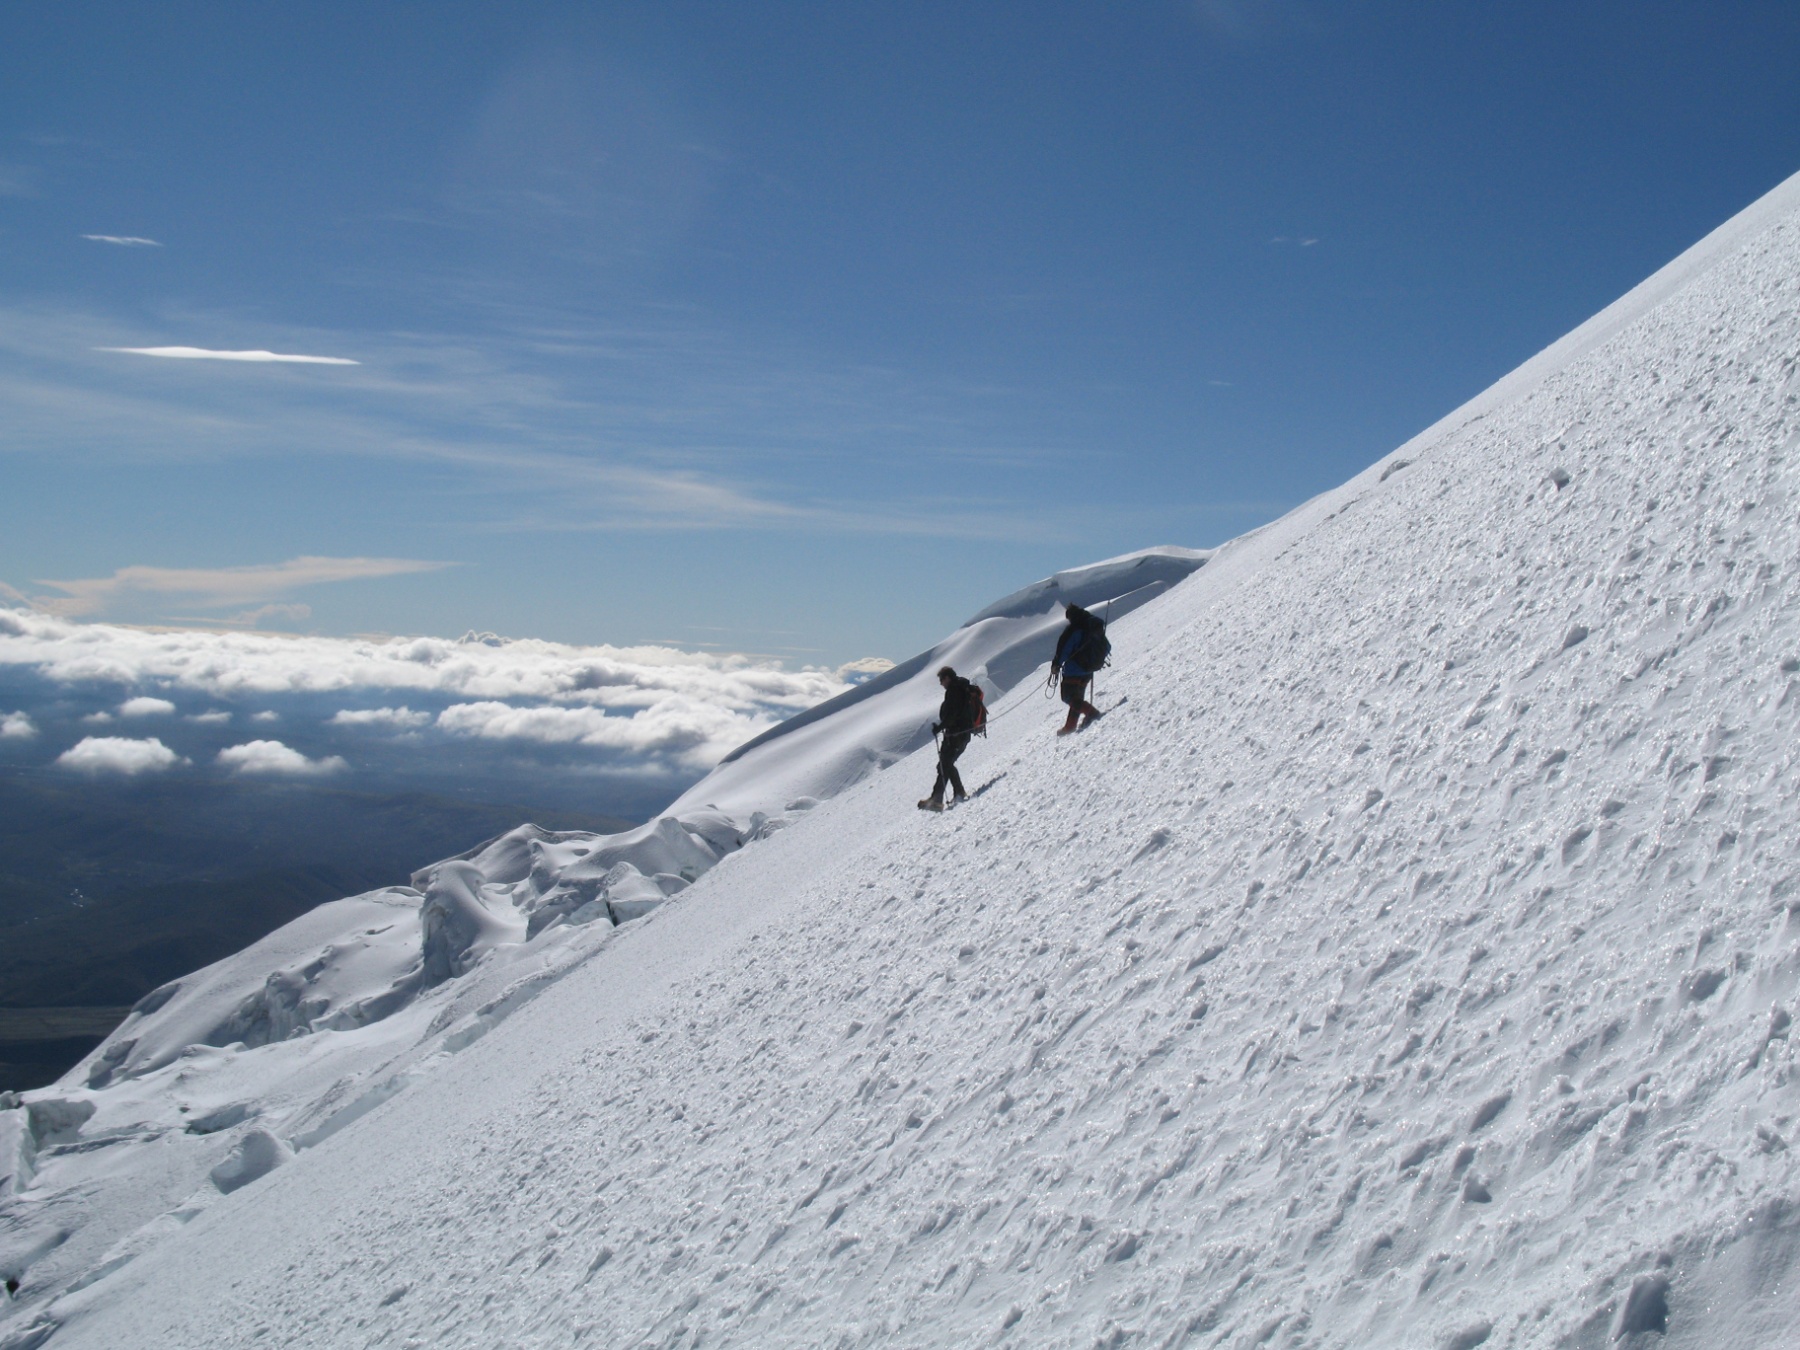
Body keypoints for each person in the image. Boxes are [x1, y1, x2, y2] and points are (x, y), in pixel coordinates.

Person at [918, 665, 978, 811]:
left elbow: (953, 715)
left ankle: (939, 799)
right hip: (959, 734)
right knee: (945, 764)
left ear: (947, 678)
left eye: (941, 680)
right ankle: (951, 794)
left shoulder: (955, 691)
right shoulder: (959, 688)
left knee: (945, 764)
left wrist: (940, 727)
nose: (941, 683)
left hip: (957, 734)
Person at [1051, 603, 1105, 735]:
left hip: (1074, 670)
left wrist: (1056, 664)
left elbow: (1064, 649)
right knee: (1077, 698)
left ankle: (1092, 713)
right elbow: (1105, 646)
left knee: (1068, 696)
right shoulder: (1092, 626)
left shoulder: (1074, 629)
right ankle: (1070, 726)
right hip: (1089, 669)